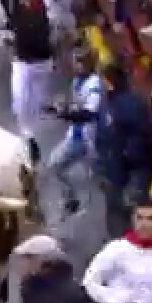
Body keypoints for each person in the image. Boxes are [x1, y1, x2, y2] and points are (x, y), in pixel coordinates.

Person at [95, 64, 152, 236]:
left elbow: (144, 133)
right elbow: (101, 135)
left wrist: (129, 155)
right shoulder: (107, 102)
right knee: (115, 211)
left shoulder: (130, 104)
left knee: (132, 209)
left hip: (129, 170)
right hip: (112, 169)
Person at [47, 47, 104, 215]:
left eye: (80, 62)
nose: (76, 66)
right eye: (75, 62)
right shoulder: (77, 81)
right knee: (56, 166)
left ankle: (79, 203)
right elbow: (76, 106)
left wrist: (65, 114)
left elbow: (89, 113)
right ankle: (74, 200)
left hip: (88, 137)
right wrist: (57, 109)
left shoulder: (94, 83)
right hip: (76, 134)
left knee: (57, 165)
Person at [8, 0, 54, 164]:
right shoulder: (22, 9)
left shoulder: (40, 13)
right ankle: (27, 136)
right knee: (20, 100)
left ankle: (30, 134)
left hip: (37, 62)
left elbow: (37, 37)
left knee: (35, 101)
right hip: (24, 61)